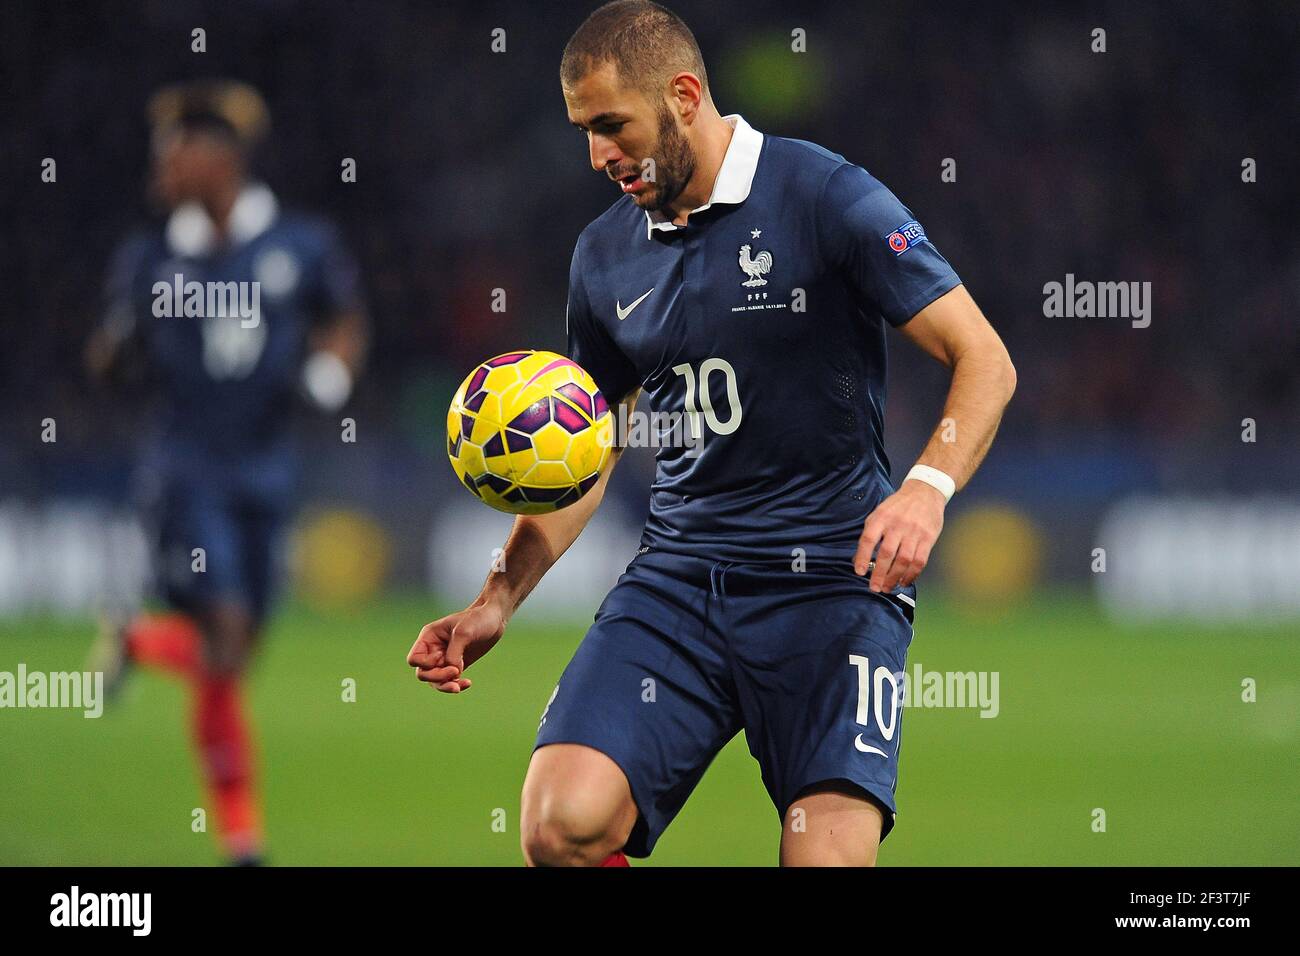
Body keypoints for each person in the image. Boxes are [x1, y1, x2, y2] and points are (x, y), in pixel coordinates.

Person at [408, 0, 1015, 866]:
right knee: (559, 828)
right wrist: (498, 596)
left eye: (612, 125)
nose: (597, 155)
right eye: (583, 130)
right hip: (681, 581)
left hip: (833, 589)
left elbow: (984, 360)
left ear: (684, 94)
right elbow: (587, 449)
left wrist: (925, 490)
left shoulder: (824, 195)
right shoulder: (603, 255)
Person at [87, 80, 367, 866]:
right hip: (185, 470)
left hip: (267, 470)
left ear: (217, 158)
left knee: (232, 656)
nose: (158, 173)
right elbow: (109, 361)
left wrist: (331, 374)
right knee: (227, 632)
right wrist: (114, 344)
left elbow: (344, 319)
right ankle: (243, 838)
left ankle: (138, 641)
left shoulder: (299, 245)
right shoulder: (149, 257)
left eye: (171, 155)